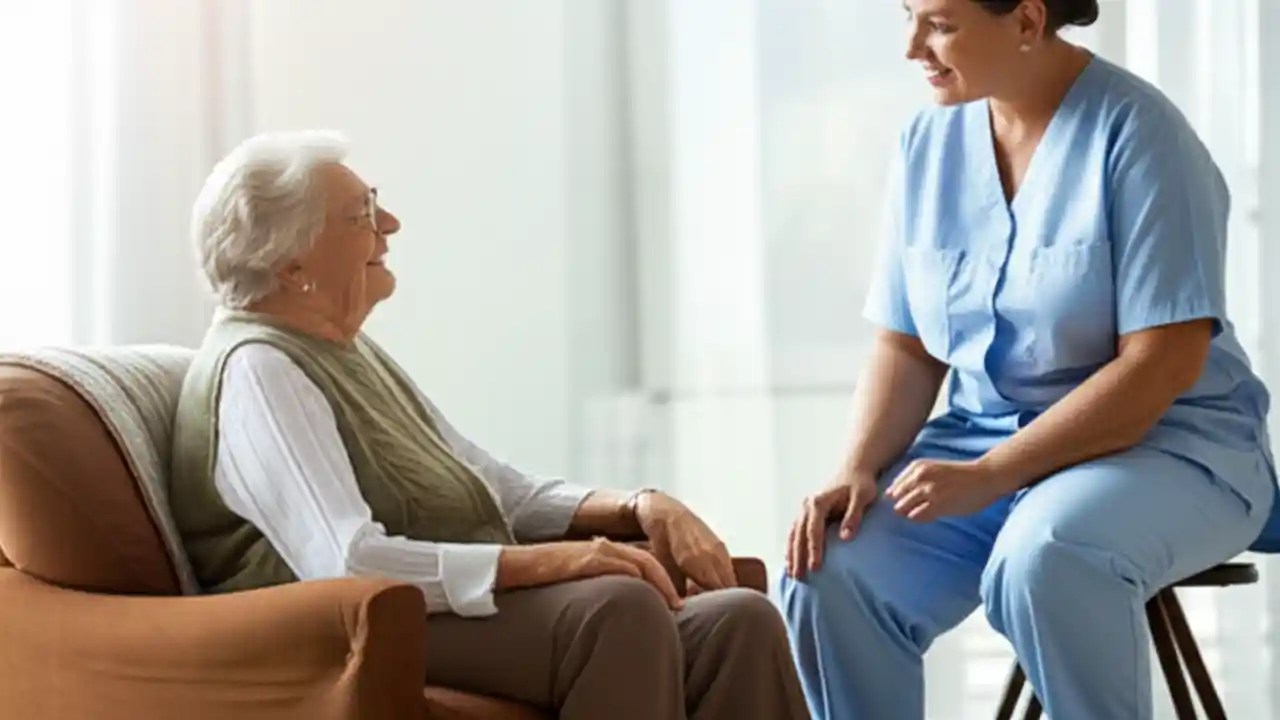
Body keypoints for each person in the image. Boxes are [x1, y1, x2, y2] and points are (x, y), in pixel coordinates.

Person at [169, 130, 809, 720]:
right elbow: (349, 562)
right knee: (617, 611)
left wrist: (640, 507)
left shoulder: (346, 354)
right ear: (291, 265)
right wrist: (552, 564)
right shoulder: (259, 371)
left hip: (438, 611)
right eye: (361, 215)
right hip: (351, 634)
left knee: (738, 622)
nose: (389, 225)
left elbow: (495, 486)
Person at [778, 1, 1277, 718]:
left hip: (1166, 449)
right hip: (981, 450)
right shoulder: (928, 142)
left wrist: (994, 474)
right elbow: (906, 342)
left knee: (1048, 559)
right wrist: (856, 466)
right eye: (907, 15)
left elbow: (1158, 370)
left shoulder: (1141, 136)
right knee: (827, 573)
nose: (913, 46)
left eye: (941, 24)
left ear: (1026, 21)